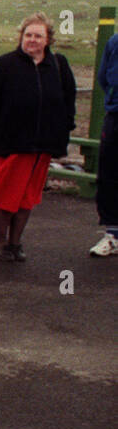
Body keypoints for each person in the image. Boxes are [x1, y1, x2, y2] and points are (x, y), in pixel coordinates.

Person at [0, 12, 76, 262]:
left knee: (26, 197)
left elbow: (68, 101)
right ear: (21, 37)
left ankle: (15, 243)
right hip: (10, 145)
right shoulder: (5, 64)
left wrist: (61, 130)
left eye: (38, 36)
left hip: (41, 146)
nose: (32, 40)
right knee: (3, 195)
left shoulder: (59, 66)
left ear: (48, 39)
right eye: (28, 35)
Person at [93, 28, 118, 257]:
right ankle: (112, 234)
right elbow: (103, 78)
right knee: (109, 174)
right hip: (115, 116)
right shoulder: (114, 42)